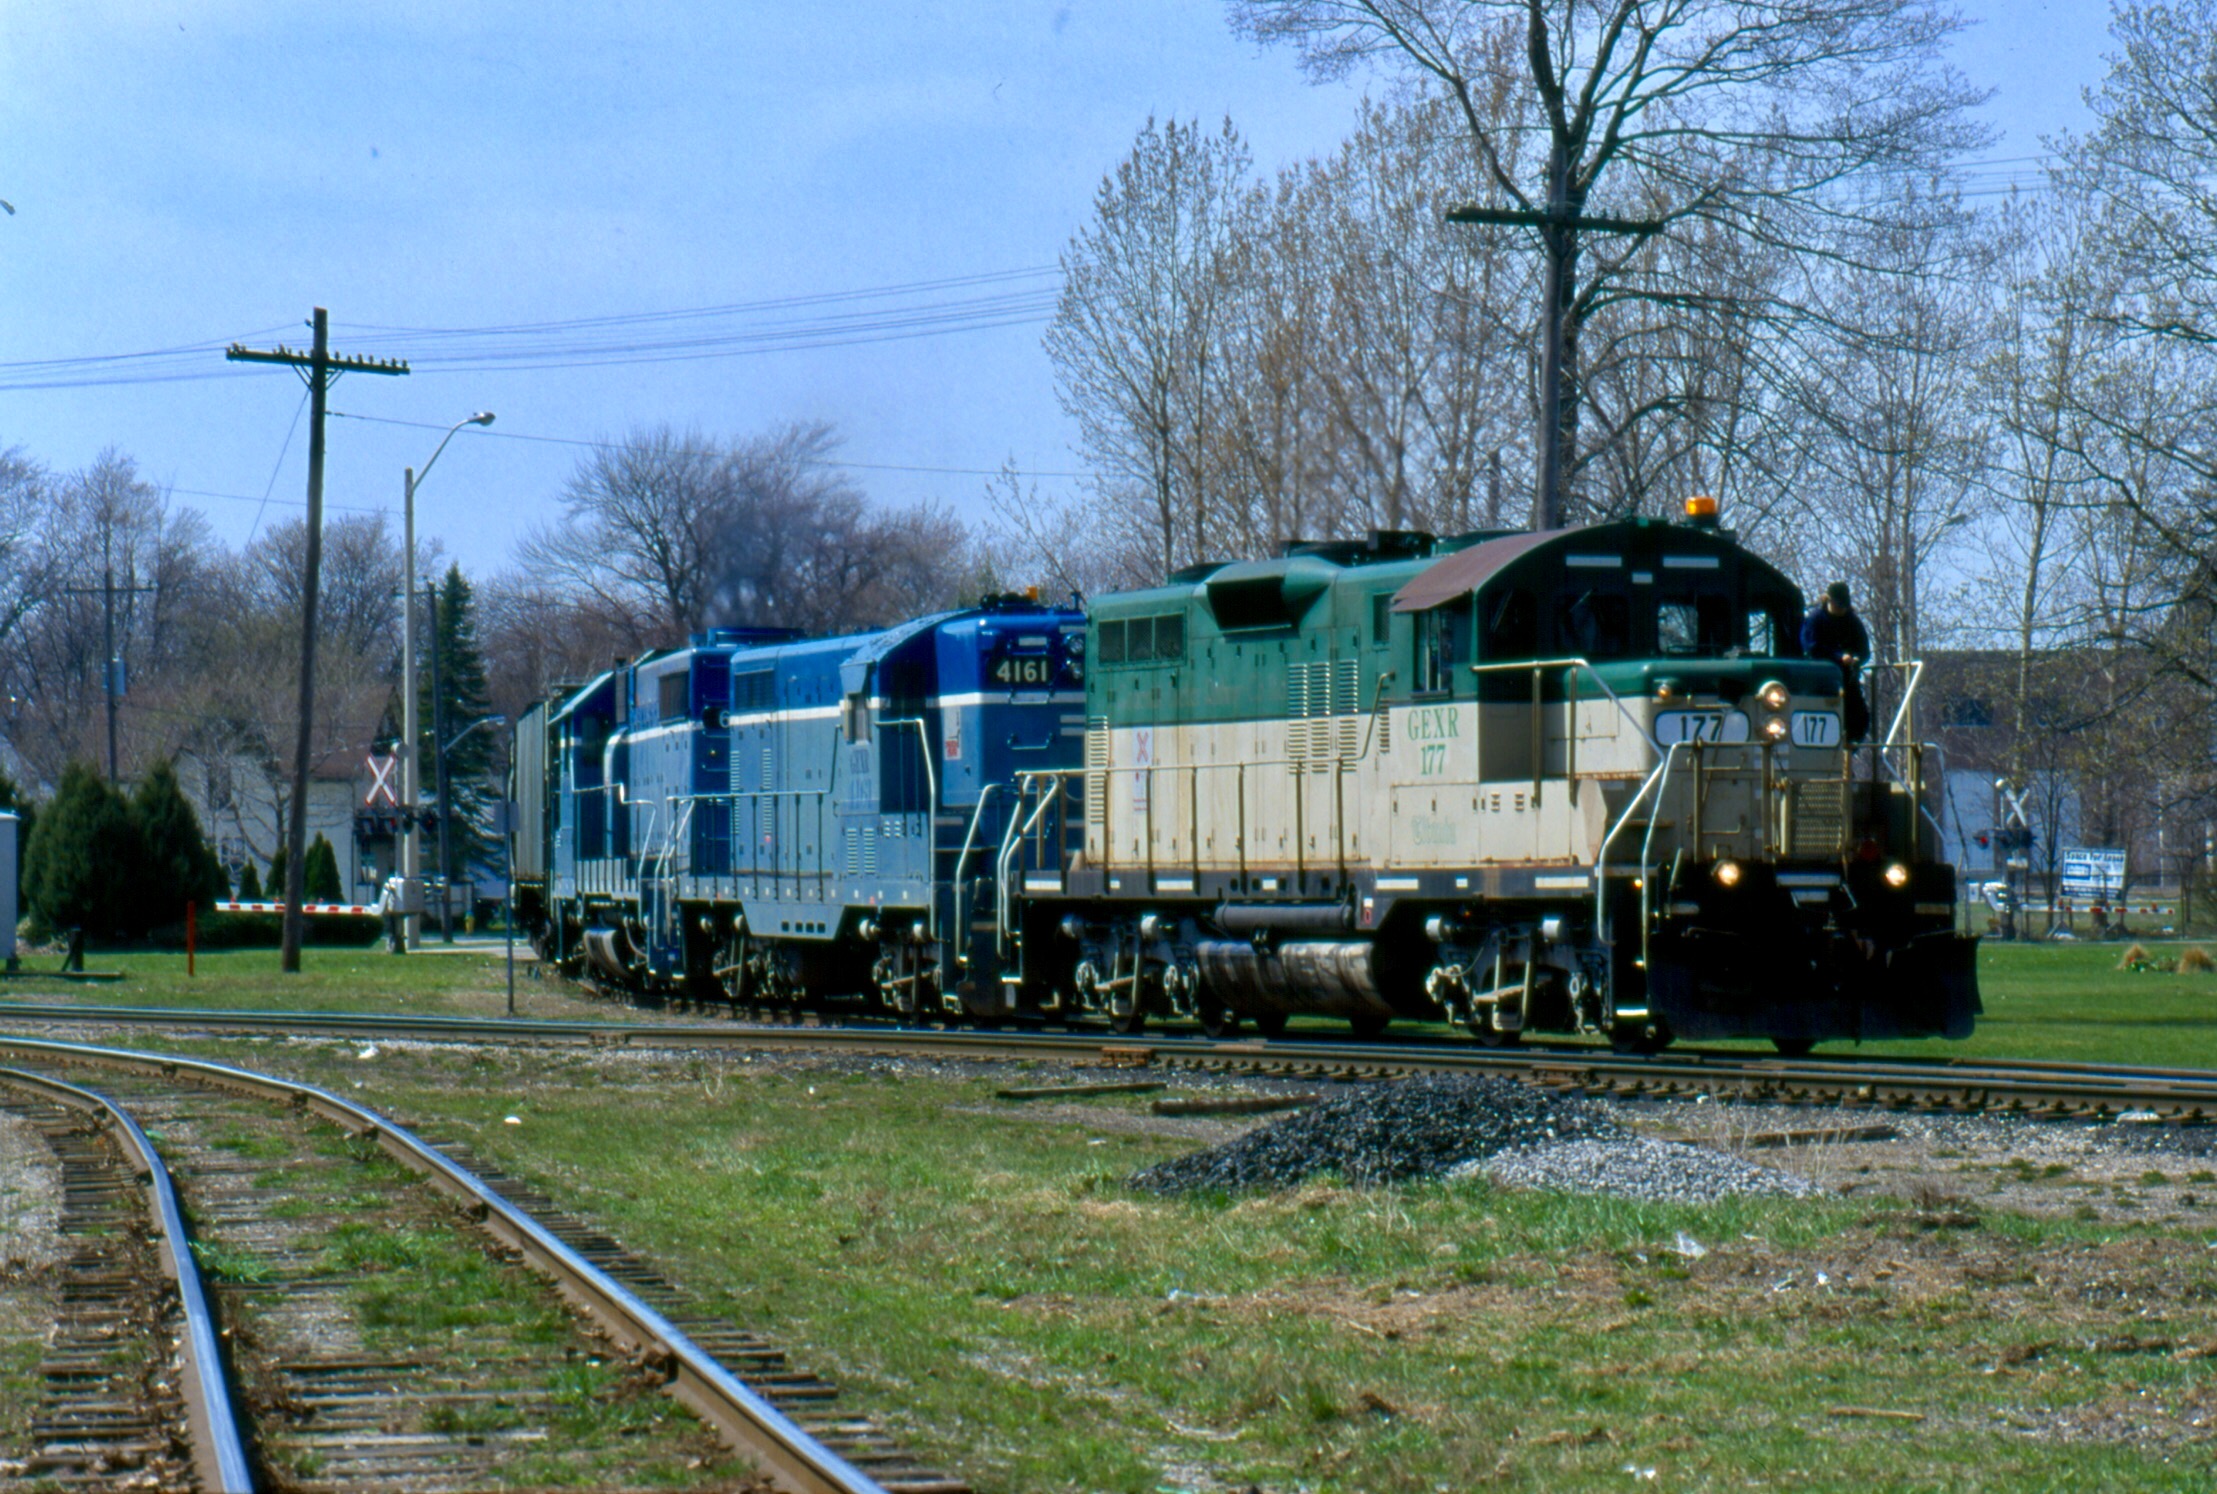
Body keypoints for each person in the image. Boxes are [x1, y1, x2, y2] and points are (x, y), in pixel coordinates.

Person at [1800, 581, 1870, 741]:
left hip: (1848, 681)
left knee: (1859, 720)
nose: (1841, 609)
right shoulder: (1815, 619)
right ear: (1828, 600)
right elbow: (1811, 647)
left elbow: (1864, 650)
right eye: (1838, 605)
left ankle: (1849, 752)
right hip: (1820, 681)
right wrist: (1838, 657)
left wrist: (1857, 659)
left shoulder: (1853, 621)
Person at [377, 874, 407, 954]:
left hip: (393, 911)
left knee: (393, 929)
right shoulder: (390, 890)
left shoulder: (390, 890)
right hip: (392, 911)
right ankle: (393, 946)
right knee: (393, 929)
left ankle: (393, 946)